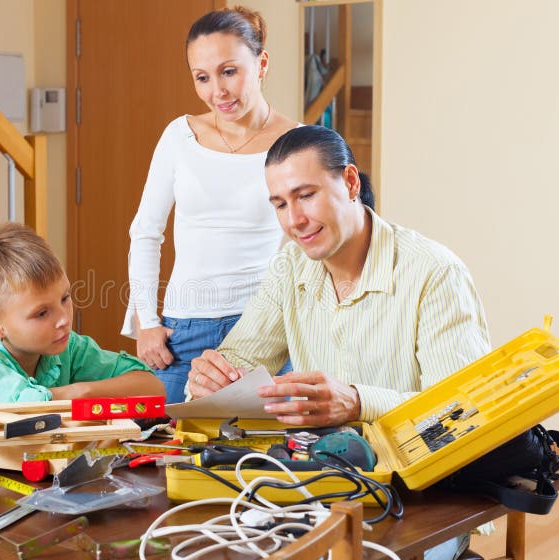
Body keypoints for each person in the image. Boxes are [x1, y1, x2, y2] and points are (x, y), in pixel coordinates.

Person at [188, 125, 490, 560]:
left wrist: (357, 402)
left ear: (350, 183)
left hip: (427, 500)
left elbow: (460, 414)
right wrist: (211, 378)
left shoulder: (435, 273)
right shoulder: (289, 267)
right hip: (322, 485)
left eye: (305, 195)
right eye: (280, 204)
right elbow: (238, 358)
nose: (294, 220)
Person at [122, 6, 298, 404]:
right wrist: (146, 322)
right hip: (183, 335)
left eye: (229, 71)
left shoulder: (297, 142)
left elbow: (314, 239)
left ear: (261, 64)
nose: (217, 91)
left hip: (262, 329)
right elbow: (145, 232)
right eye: (202, 77)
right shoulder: (179, 136)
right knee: (164, 439)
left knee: (268, 441)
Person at [0, 222, 163, 455]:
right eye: (42, 313)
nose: (63, 319)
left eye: (65, 298)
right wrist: (81, 398)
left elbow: (151, 387)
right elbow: (28, 414)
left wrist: (81, 392)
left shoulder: (64, 346)